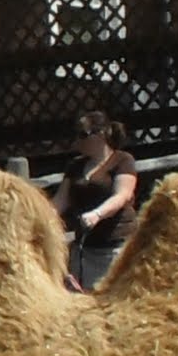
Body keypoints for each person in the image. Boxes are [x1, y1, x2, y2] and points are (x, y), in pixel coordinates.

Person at [52, 110, 139, 288]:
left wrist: (97, 214)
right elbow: (60, 201)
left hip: (115, 247)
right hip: (84, 248)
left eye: (83, 135)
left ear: (100, 134)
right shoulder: (75, 166)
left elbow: (122, 195)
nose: (78, 141)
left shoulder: (123, 160)